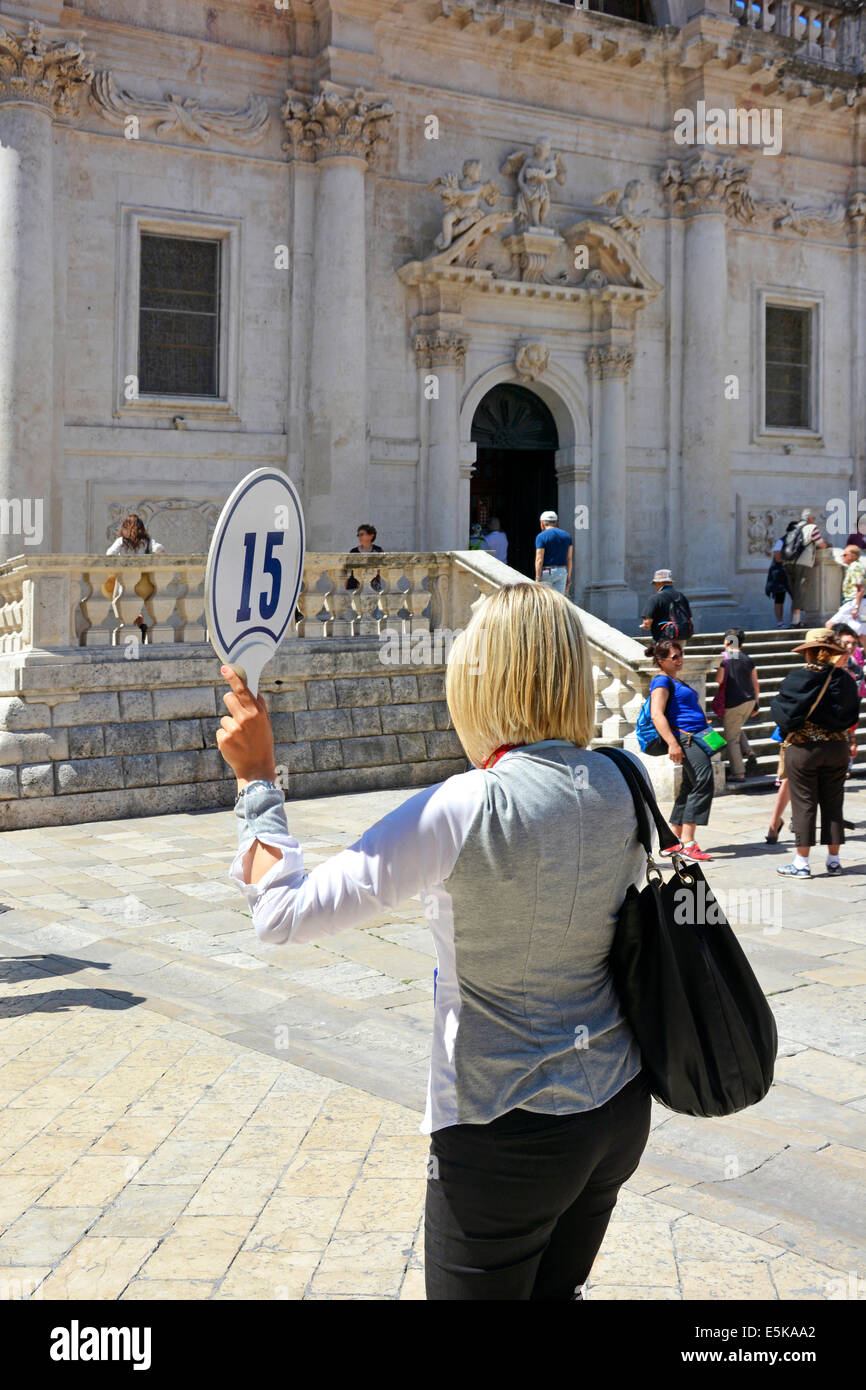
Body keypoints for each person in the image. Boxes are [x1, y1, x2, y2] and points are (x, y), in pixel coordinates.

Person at [217, 582, 654, 1301]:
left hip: (504, 1126)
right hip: (618, 1108)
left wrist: (258, 782)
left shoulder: (464, 805)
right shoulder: (624, 777)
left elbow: (283, 914)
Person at [770, 628, 860, 877]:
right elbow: (851, 716)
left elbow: (783, 715)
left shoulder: (797, 678)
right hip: (837, 748)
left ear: (808, 652)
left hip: (803, 749)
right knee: (833, 803)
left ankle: (801, 862)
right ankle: (833, 861)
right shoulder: (846, 680)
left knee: (804, 804)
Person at [647, 637, 715, 862]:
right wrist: (672, 744)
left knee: (689, 785)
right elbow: (657, 714)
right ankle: (688, 842)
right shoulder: (661, 681)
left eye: (681, 655)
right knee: (703, 781)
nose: (680, 660)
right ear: (661, 661)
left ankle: (673, 841)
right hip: (685, 739)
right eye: (674, 657)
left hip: (699, 736)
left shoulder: (677, 681)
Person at [105, 513, 165, 639]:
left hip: (125, 579)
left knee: (126, 606)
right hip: (142, 581)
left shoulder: (122, 541)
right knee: (136, 607)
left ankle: (136, 630)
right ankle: (139, 627)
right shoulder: (147, 541)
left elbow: (109, 554)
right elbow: (160, 549)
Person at [714, 629, 760, 784]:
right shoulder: (747, 659)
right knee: (735, 727)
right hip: (749, 702)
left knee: (731, 738)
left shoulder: (726, 659)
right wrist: (757, 704)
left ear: (728, 642)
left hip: (734, 702)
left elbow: (719, 680)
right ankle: (748, 750)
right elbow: (756, 684)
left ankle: (738, 773)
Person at [780, 509, 828, 629]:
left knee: (794, 592)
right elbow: (820, 543)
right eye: (813, 518)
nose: (814, 520)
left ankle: (795, 619)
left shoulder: (793, 528)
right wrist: (827, 545)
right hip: (802, 562)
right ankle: (796, 622)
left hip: (788, 562)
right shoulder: (812, 527)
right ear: (810, 518)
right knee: (800, 592)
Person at [829, 623, 863, 778]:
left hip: (842, 728)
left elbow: (851, 706)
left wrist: (852, 740)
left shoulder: (855, 669)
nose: (850, 647)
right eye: (846, 643)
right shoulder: (824, 669)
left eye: (854, 643)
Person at [640, 570, 693, 645]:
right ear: (671, 582)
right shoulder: (681, 596)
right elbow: (690, 618)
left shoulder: (655, 598)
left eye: (655, 583)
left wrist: (645, 625)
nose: (655, 586)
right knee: (677, 657)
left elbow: (647, 622)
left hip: (663, 639)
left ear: (659, 583)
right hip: (681, 637)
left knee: (664, 657)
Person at [826, 544, 866, 636]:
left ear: (852, 556)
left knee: (830, 624)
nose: (842, 557)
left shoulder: (855, 567)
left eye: (844, 555)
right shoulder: (855, 566)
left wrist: (856, 607)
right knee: (862, 635)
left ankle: (830, 649)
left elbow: (860, 588)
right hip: (857, 602)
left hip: (852, 603)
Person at [534, 510, 572, 594]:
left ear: (542, 523)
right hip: (562, 572)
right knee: (559, 602)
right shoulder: (567, 536)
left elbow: (539, 559)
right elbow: (569, 559)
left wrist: (537, 578)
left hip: (547, 572)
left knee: (546, 602)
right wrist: (568, 578)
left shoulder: (541, 537)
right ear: (556, 523)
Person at [346, 523, 383, 592]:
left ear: (371, 536)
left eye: (362, 534)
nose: (359, 537)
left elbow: (381, 570)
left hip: (373, 587)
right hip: (354, 587)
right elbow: (347, 571)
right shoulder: (353, 551)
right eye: (358, 535)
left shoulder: (378, 550)